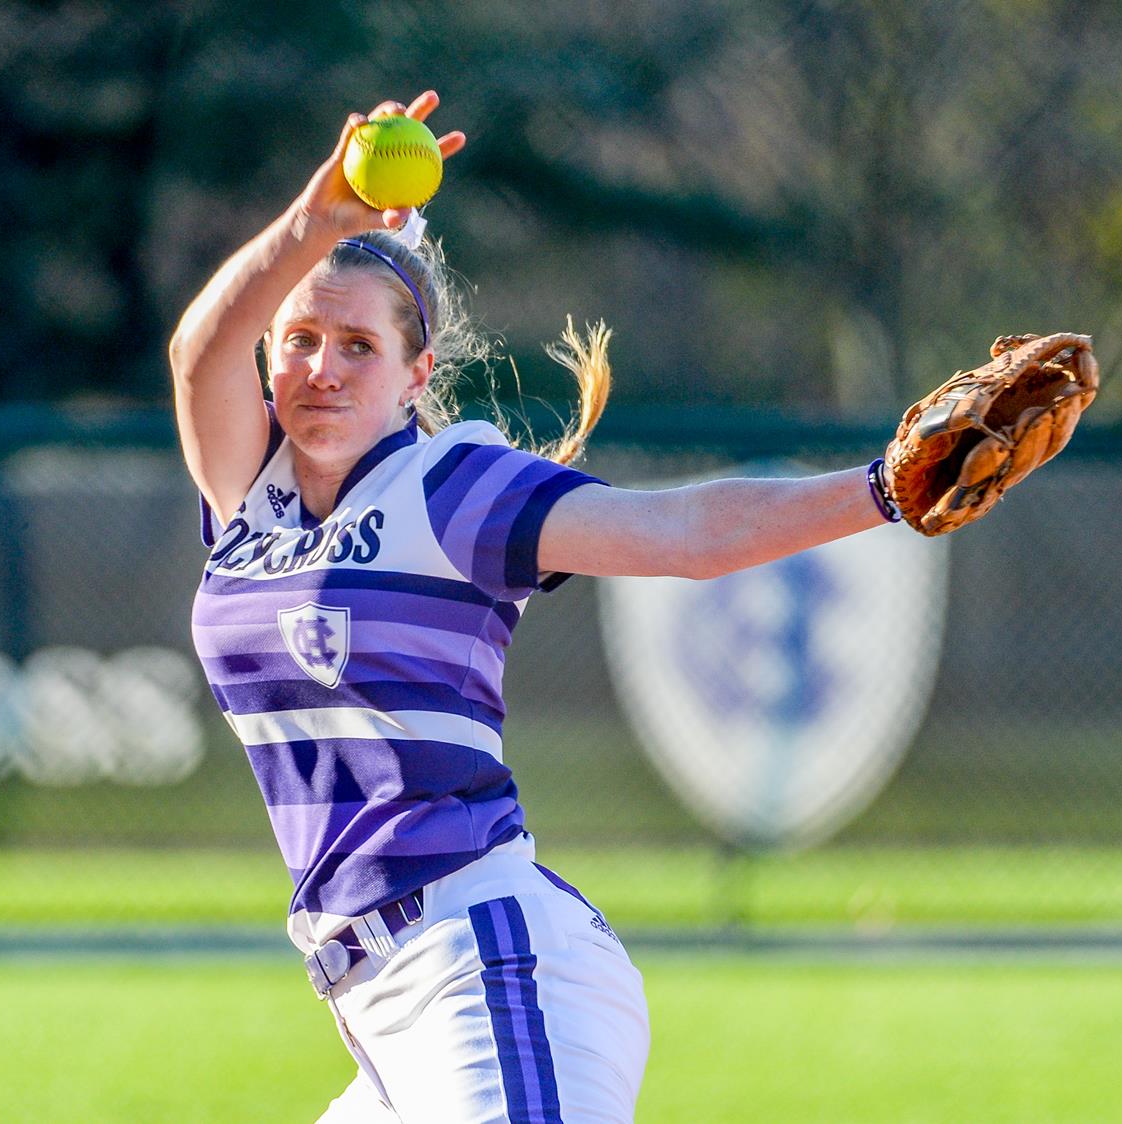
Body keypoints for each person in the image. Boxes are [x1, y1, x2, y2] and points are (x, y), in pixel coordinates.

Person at [170, 91, 893, 1123]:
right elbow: (199, 354)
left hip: (484, 968)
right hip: (373, 1008)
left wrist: (883, 489)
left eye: (357, 346)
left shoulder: (450, 486)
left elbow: (682, 532)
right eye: (297, 339)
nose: (320, 367)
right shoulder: (253, 494)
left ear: (416, 371)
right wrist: (312, 224)